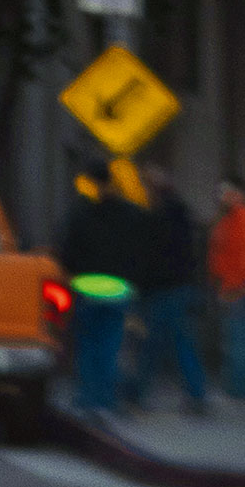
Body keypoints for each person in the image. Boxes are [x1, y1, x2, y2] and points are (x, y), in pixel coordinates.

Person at [57, 166, 145, 415]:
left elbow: (68, 251)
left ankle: (88, 396)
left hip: (87, 286)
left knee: (88, 344)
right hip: (118, 287)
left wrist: (71, 273)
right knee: (110, 344)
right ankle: (106, 397)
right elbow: (139, 251)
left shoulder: (81, 214)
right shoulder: (129, 215)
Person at [126, 163, 210, 414]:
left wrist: (139, 286)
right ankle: (196, 394)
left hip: (160, 290)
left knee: (150, 345)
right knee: (183, 342)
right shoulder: (180, 215)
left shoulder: (152, 218)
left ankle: (138, 393)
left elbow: (147, 258)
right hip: (181, 287)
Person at [209, 174, 245, 400]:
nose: (221, 196)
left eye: (227, 191)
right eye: (220, 191)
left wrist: (231, 290)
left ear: (240, 193)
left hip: (240, 289)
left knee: (238, 341)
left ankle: (239, 388)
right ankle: (243, 385)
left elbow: (242, 260)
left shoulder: (239, 220)